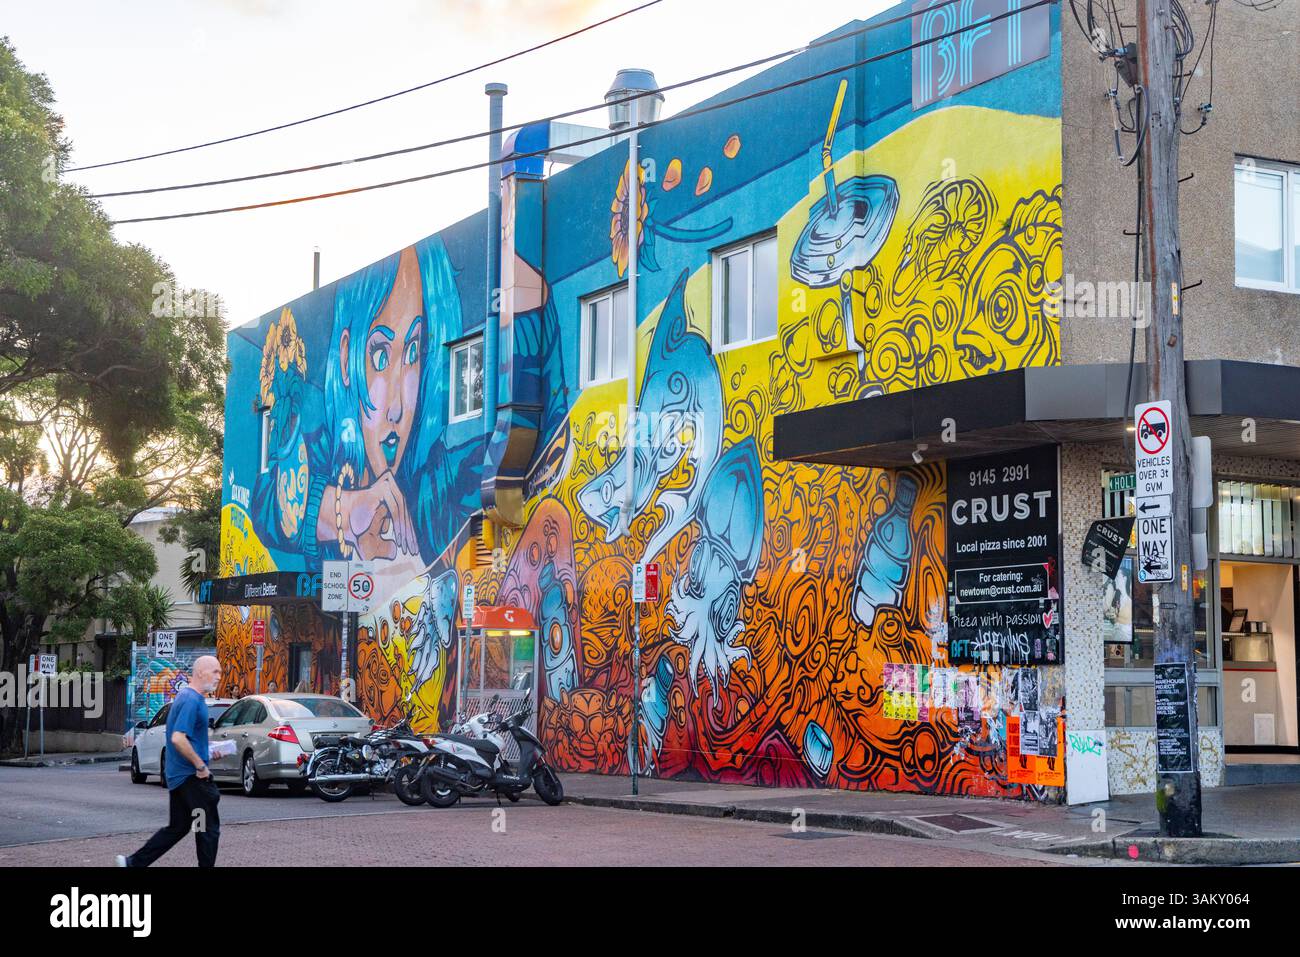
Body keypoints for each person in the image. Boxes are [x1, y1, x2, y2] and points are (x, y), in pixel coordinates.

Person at [116, 656, 223, 868]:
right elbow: (177, 738)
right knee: (208, 829)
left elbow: (186, 739)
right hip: (192, 778)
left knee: (179, 827)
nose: (219, 676)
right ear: (200, 672)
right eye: (215, 671)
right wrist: (200, 766)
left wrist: (208, 752)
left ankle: (133, 863)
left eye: (220, 672)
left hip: (180, 778)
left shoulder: (189, 697)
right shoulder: (191, 699)